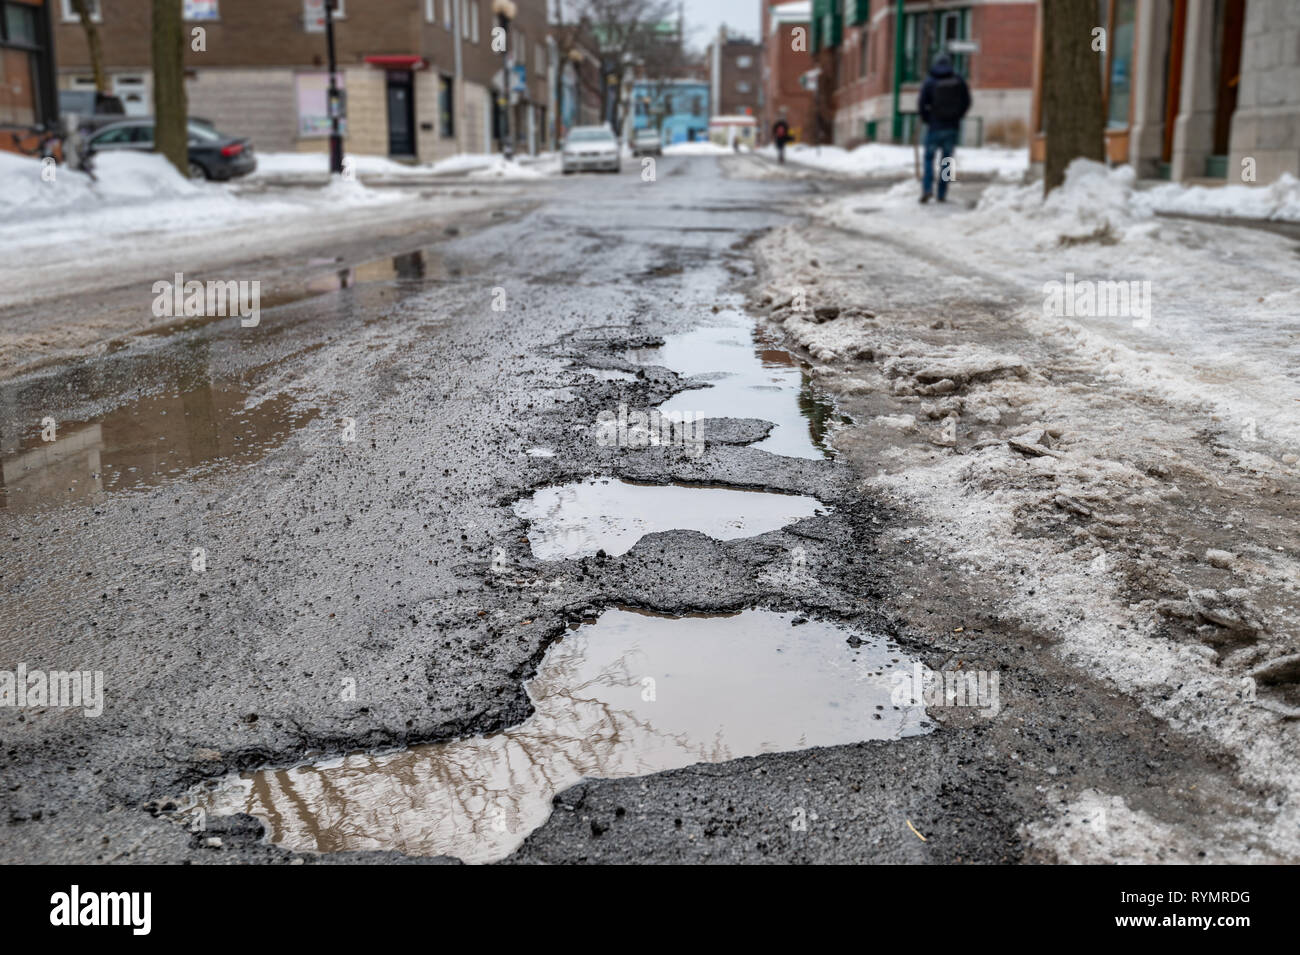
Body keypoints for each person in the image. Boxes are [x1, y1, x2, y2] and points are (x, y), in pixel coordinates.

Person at [917, 54, 971, 203]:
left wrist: (928, 119)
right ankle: (943, 193)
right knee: (947, 161)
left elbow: (921, 104)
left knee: (928, 158)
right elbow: (967, 101)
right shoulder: (959, 80)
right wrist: (958, 116)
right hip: (952, 127)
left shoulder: (930, 81)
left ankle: (927, 189)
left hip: (934, 126)